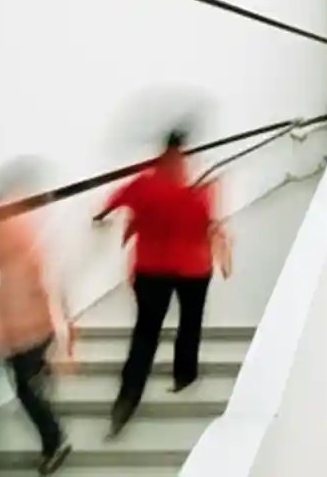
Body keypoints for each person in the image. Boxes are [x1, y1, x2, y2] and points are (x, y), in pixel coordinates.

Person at [94, 128, 225, 437]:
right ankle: (185, 375)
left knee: (145, 334)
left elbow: (116, 198)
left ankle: (126, 402)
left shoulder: (145, 183)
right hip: (193, 268)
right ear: (184, 153)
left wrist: (102, 215)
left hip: (151, 270)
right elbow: (208, 221)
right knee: (190, 321)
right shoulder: (198, 187)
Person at [0, 167, 73, 474]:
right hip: (22, 332)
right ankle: (42, 386)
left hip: (30, 333)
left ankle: (55, 440)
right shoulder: (8, 242)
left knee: (25, 388)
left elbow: (40, 294)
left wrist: (60, 335)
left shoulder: (18, 248)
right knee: (23, 382)